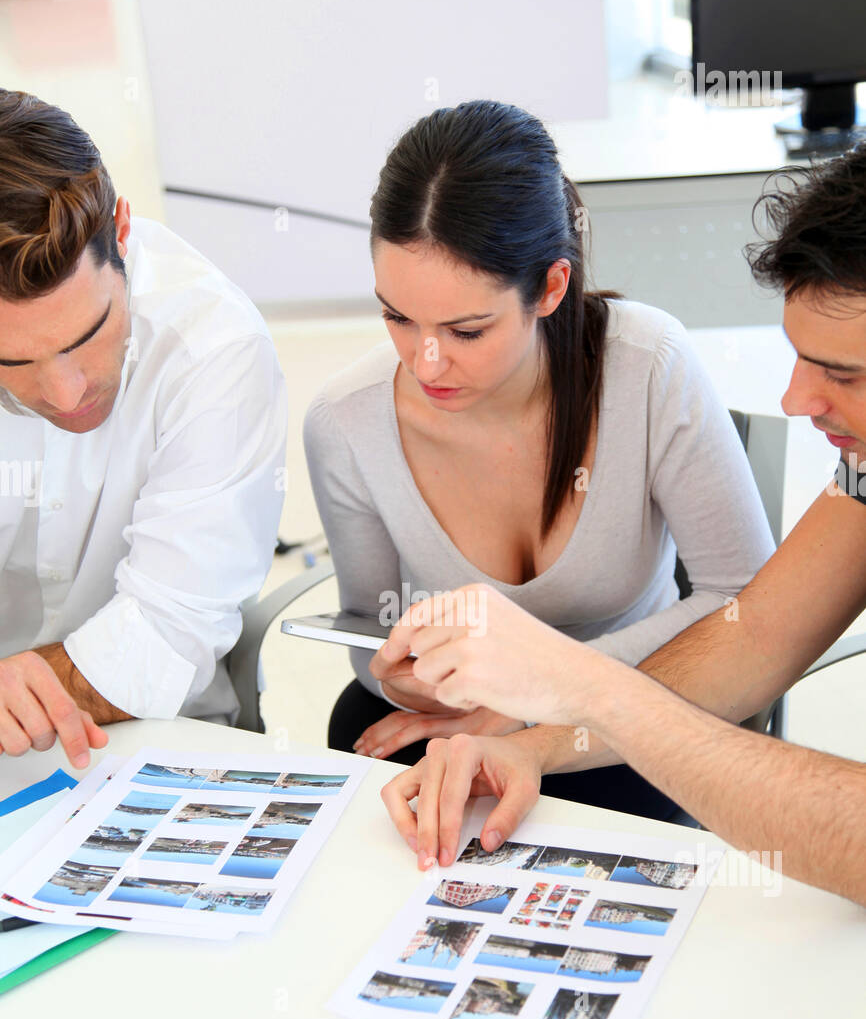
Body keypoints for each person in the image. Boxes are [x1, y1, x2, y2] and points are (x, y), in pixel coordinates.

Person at [376, 146, 866, 903]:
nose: (796, 400)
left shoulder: (645, 361)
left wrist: (579, 684)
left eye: (844, 374)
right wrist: (534, 747)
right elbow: (757, 633)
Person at [303, 99, 774, 821]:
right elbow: (367, 624)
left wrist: (534, 709)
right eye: (397, 316)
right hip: (466, 718)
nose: (426, 362)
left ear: (551, 288)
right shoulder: (346, 422)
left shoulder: (649, 367)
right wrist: (403, 680)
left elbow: (739, 600)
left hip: (637, 712)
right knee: (361, 744)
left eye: (466, 329)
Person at [0, 91, 287, 768]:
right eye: (13, 361)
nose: (66, 394)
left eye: (88, 335)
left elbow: (166, 633)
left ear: (121, 233)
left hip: (156, 739)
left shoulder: (213, 346)